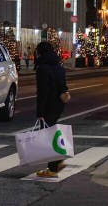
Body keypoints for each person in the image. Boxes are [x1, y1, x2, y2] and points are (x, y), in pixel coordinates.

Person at [34, 41, 68, 178]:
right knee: (52, 132)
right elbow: (63, 86)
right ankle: (57, 162)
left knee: (48, 134)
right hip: (59, 104)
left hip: (48, 105)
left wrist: (40, 112)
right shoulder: (59, 66)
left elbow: (43, 92)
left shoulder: (42, 68)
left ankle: (53, 167)